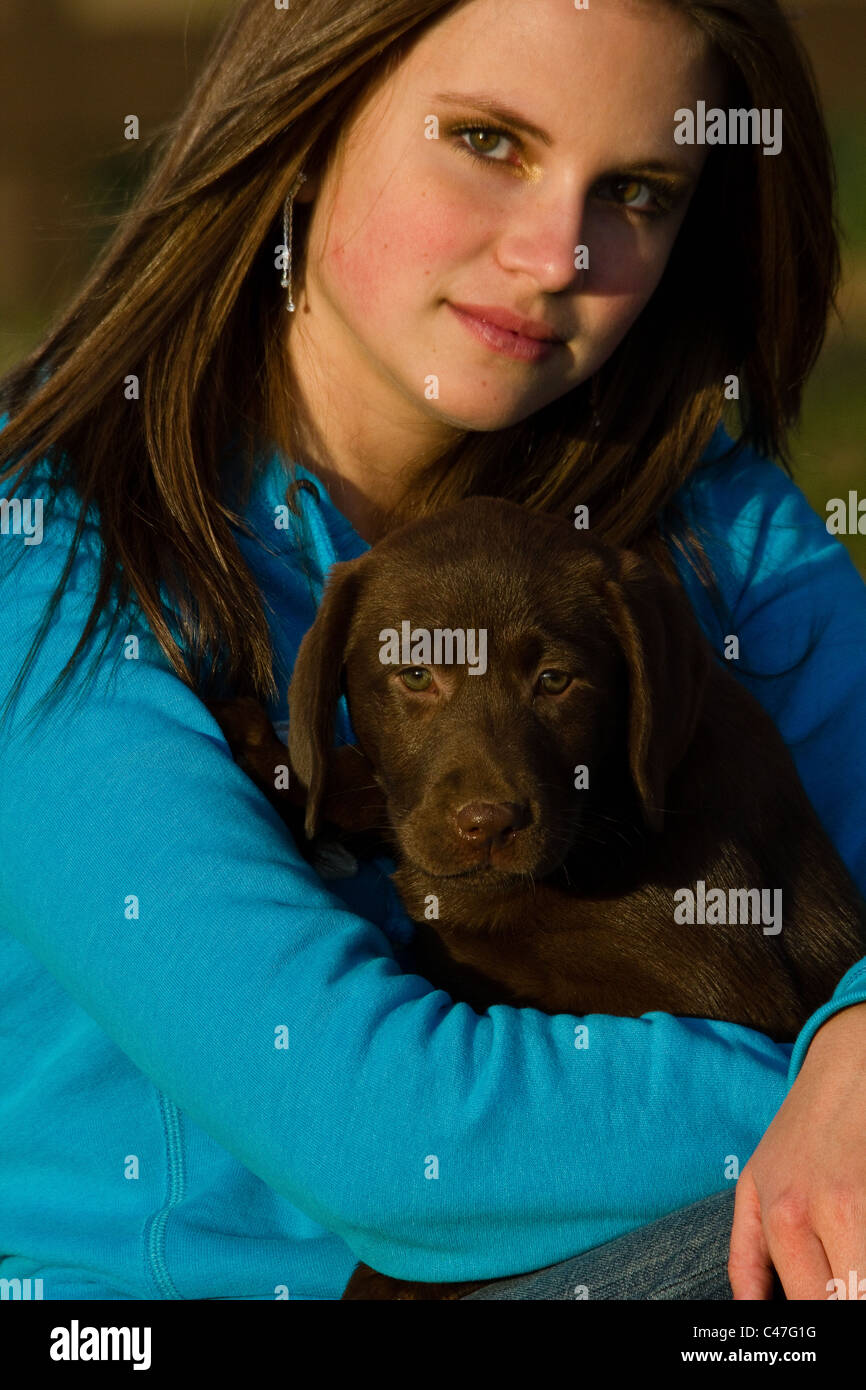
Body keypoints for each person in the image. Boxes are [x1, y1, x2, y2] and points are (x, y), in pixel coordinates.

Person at [1, 0, 864, 1303]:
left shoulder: (715, 526)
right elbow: (384, 1138)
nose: (552, 250)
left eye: (633, 189)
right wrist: (818, 1078)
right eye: (486, 141)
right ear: (306, 118)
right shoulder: (58, 550)